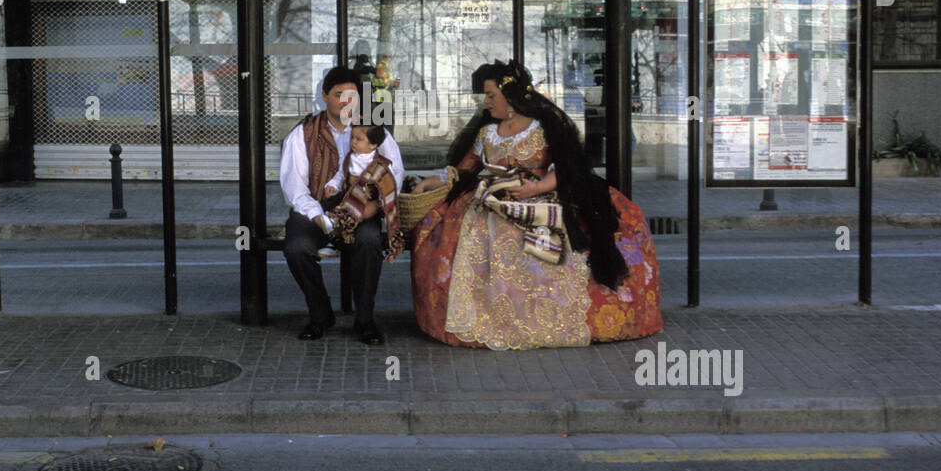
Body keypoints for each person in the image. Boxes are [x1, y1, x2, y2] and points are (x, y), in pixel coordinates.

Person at [409, 59, 661, 350]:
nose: (486, 102)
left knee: (548, 246)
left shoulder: (543, 128)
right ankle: (494, 319)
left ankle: (550, 320)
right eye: (486, 96)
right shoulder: (486, 133)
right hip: (493, 203)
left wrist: (536, 188)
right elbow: (464, 169)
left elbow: (568, 166)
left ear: (511, 98)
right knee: (462, 235)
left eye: (491, 95)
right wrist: (432, 181)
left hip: (543, 199)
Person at [280, 66, 404, 344]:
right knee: (296, 247)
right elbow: (294, 188)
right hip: (315, 207)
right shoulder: (303, 133)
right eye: (339, 95)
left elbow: (394, 172)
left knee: (370, 240)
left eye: (353, 95)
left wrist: (373, 208)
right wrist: (318, 216)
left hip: (361, 208)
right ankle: (320, 314)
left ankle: (365, 320)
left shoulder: (373, 129)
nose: (347, 101)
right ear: (325, 96)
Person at [320, 123, 405, 262]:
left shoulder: (381, 164)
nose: (353, 141)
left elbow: (389, 184)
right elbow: (341, 175)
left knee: (358, 217)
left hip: (368, 200)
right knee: (343, 212)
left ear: (372, 145)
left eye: (358, 139)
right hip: (348, 197)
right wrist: (332, 185)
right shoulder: (349, 158)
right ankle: (334, 242)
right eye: (352, 137)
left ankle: (335, 222)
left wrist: (380, 203)